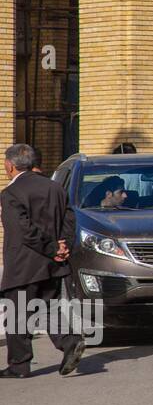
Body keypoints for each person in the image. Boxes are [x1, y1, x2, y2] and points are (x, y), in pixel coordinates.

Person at [1, 143, 83, 378]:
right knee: (49, 307)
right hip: (52, 263)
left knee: (17, 314)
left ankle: (19, 365)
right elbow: (69, 219)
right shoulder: (55, 187)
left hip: (25, 264)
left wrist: (51, 248)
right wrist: (63, 246)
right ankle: (70, 342)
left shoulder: (11, 193)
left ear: (11, 165)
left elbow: (21, 231)